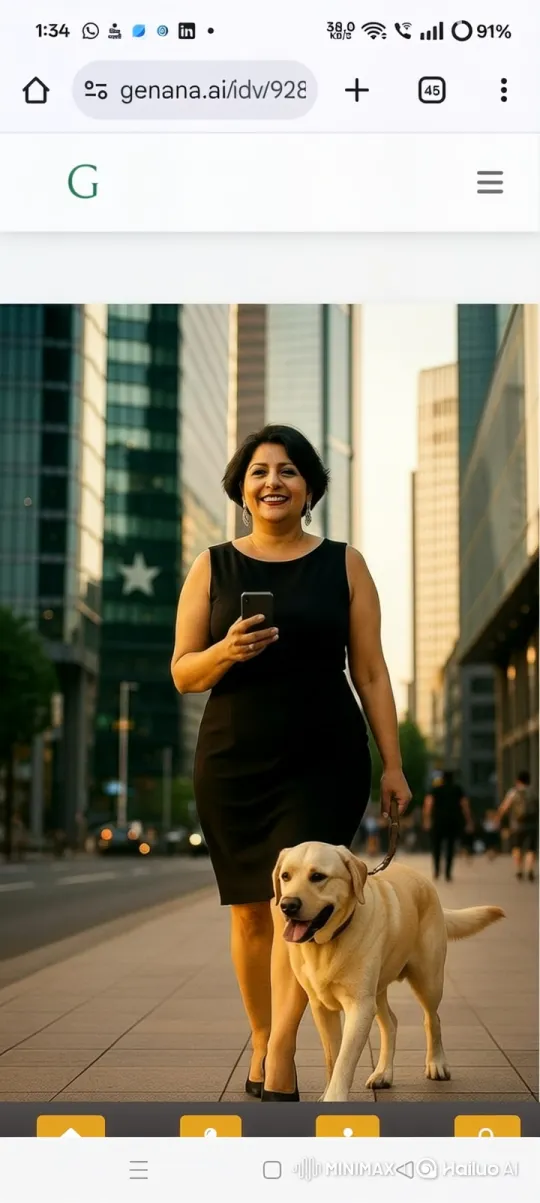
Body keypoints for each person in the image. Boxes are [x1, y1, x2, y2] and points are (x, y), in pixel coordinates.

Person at [171, 423, 412, 1101]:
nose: (272, 481)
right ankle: (260, 1035)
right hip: (233, 757)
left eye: (288, 470)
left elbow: (370, 669)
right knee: (251, 911)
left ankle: (280, 1050)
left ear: (309, 487)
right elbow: (183, 672)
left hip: (324, 756)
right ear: (241, 488)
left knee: (296, 906)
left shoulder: (344, 562)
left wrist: (393, 763)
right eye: (258, 471)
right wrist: (227, 651)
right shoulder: (212, 564)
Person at [423, 769, 473, 882]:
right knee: (450, 847)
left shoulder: (435, 790)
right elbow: (465, 805)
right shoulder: (458, 789)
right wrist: (469, 821)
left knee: (436, 847)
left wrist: (426, 820)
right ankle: (448, 873)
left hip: (438, 821)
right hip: (453, 822)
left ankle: (436, 870)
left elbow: (428, 804)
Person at [496, 769, 538, 881]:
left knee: (517, 847)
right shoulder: (533, 792)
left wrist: (498, 818)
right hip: (532, 824)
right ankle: (529, 870)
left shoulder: (513, 792)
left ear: (517, 780)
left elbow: (504, 807)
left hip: (516, 825)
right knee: (530, 849)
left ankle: (519, 870)